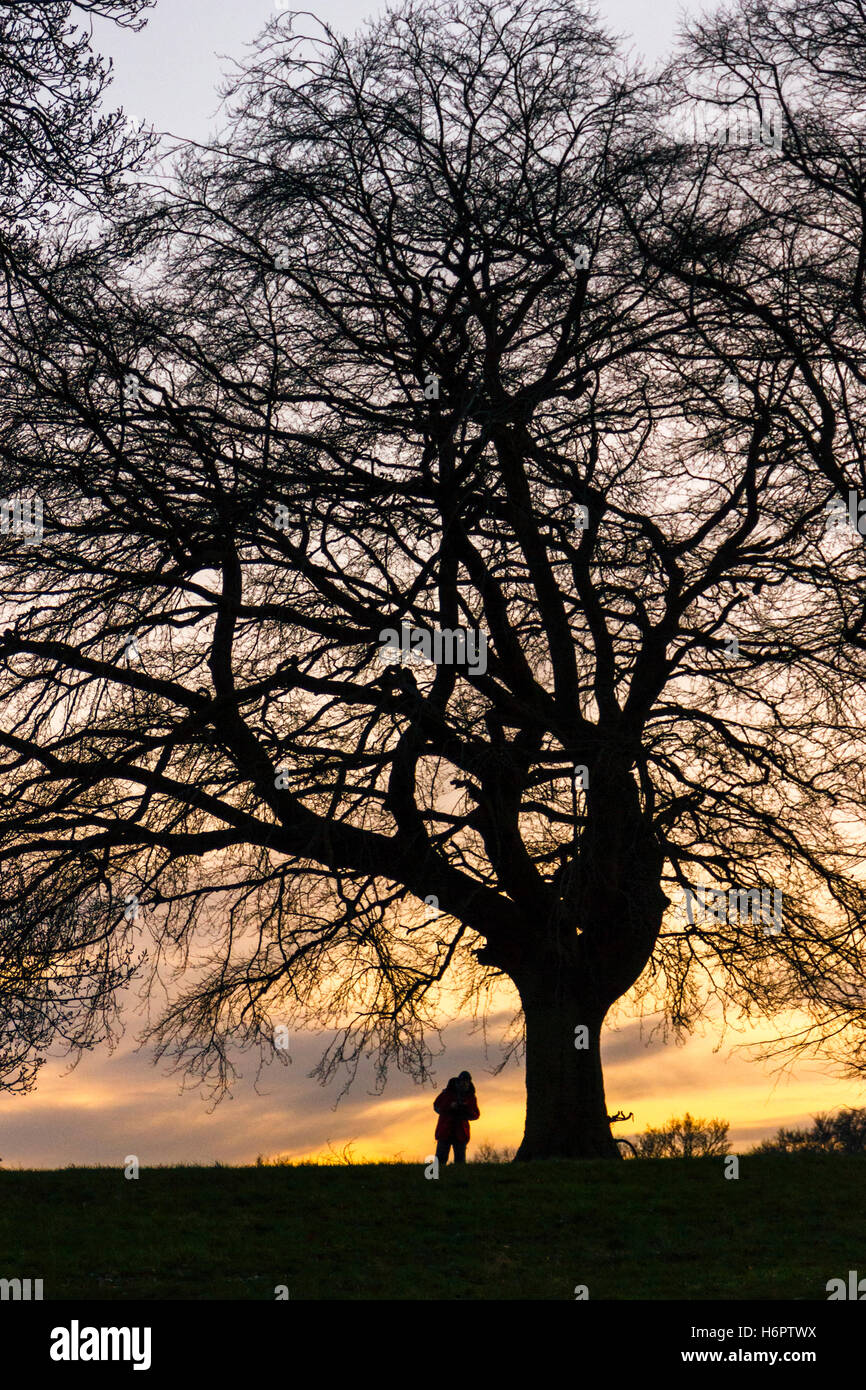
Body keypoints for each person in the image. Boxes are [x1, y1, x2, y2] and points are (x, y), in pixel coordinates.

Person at [433, 1070, 480, 1165]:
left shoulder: (471, 1097)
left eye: (466, 1082)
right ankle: (435, 1178)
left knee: (460, 1162)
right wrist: (450, 1106)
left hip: (461, 1132)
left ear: (469, 1083)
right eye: (463, 1081)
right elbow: (436, 1106)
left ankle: (459, 1179)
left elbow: (476, 1114)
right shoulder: (447, 1093)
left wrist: (465, 1109)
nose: (464, 1084)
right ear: (458, 1081)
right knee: (440, 1160)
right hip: (445, 1130)